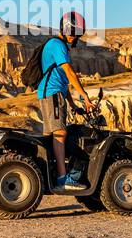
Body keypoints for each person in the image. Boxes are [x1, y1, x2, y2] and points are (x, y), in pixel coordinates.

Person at [36, 10, 96, 190]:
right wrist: (84, 96)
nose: (74, 37)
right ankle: (62, 178)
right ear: (65, 29)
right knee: (60, 133)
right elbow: (69, 73)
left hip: (54, 93)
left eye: (77, 34)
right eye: (73, 32)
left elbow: (62, 80)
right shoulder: (57, 45)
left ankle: (52, 174)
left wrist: (72, 105)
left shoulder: (58, 45)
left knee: (52, 135)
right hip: (52, 94)